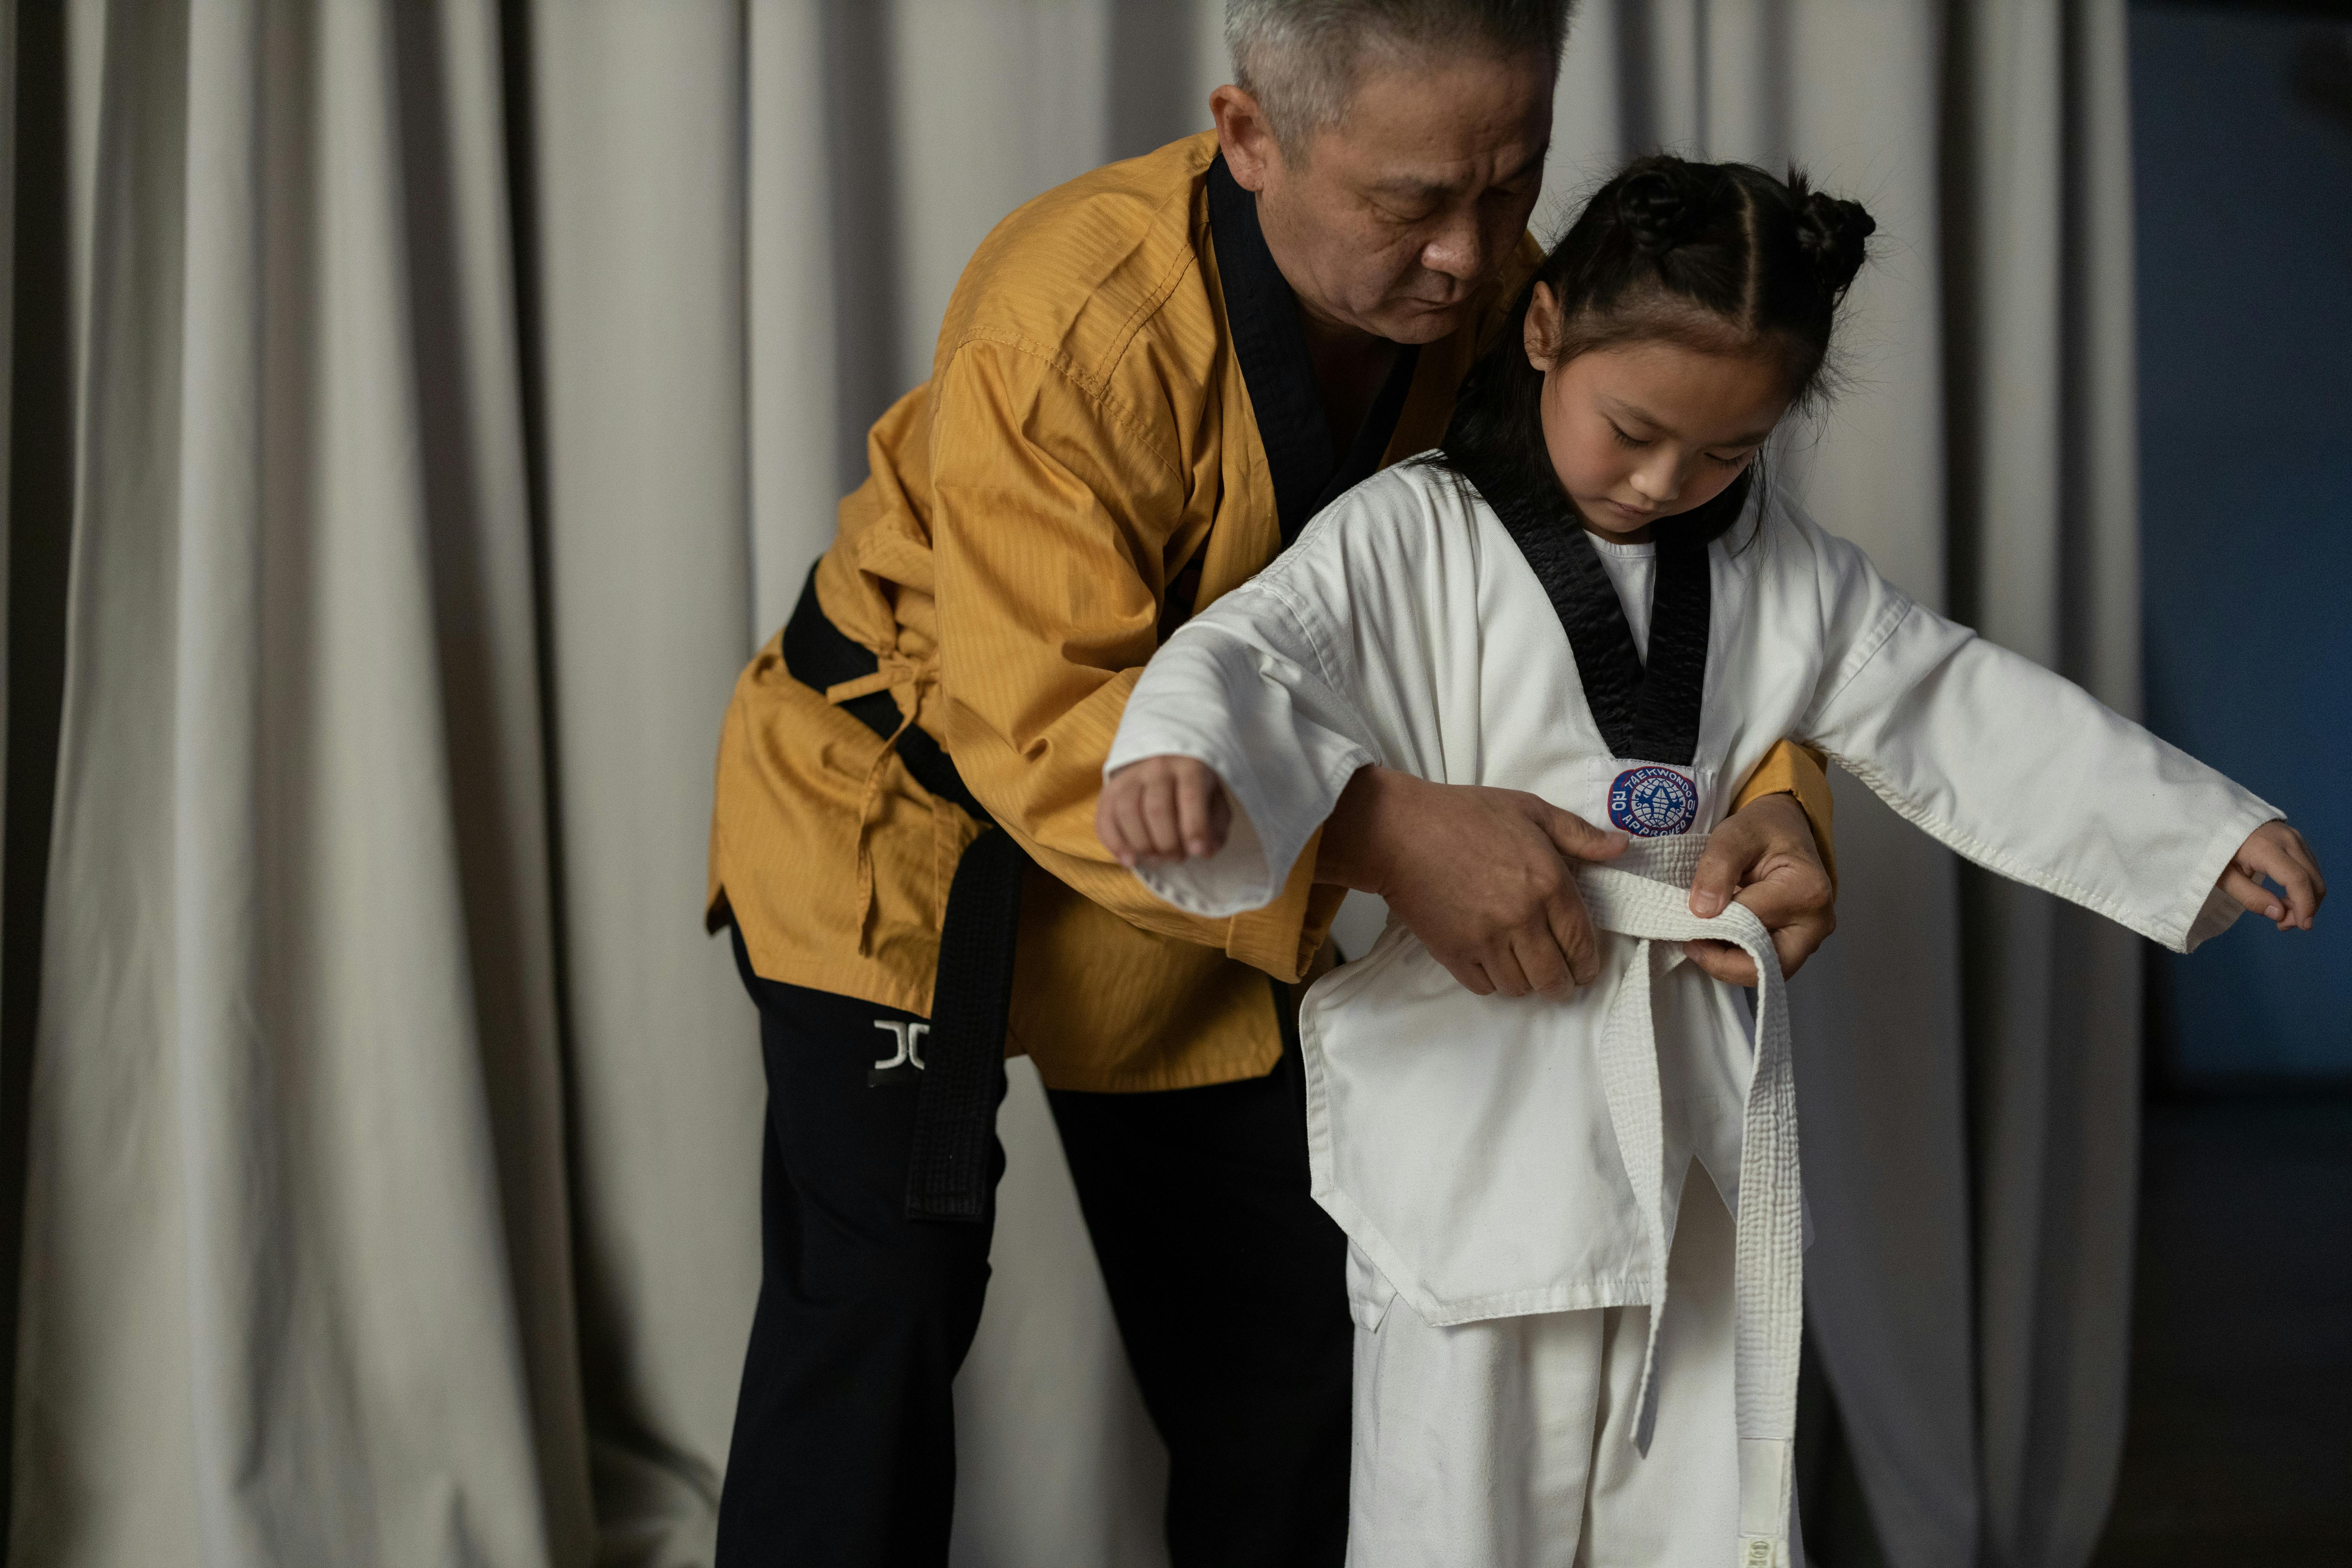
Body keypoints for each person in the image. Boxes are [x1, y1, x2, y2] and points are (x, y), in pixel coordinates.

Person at [704, 5, 1845, 1563]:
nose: (1470, 252)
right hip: (901, 812)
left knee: (1292, 1365)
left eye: (1511, 185)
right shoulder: (1072, 321)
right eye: (1413, 201)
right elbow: (1041, 724)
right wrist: (1385, 830)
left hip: (1227, 852)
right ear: (1253, 138)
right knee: (880, 1315)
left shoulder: (1525, 315)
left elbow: (1680, 593)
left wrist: (1775, 792)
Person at [1098, 153, 2325, 1567]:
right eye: (1634, 430)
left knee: (1698, 1503)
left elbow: (1953, 699)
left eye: (1728, 452)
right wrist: (1180, 758)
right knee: (1453, 1513)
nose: (1669, 481)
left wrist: (2199, 827)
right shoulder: (1409, 535)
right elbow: (1254, 653)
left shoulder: (1782, 565)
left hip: (1683, 1105)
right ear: (1544, 329)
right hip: (1471, 1107)